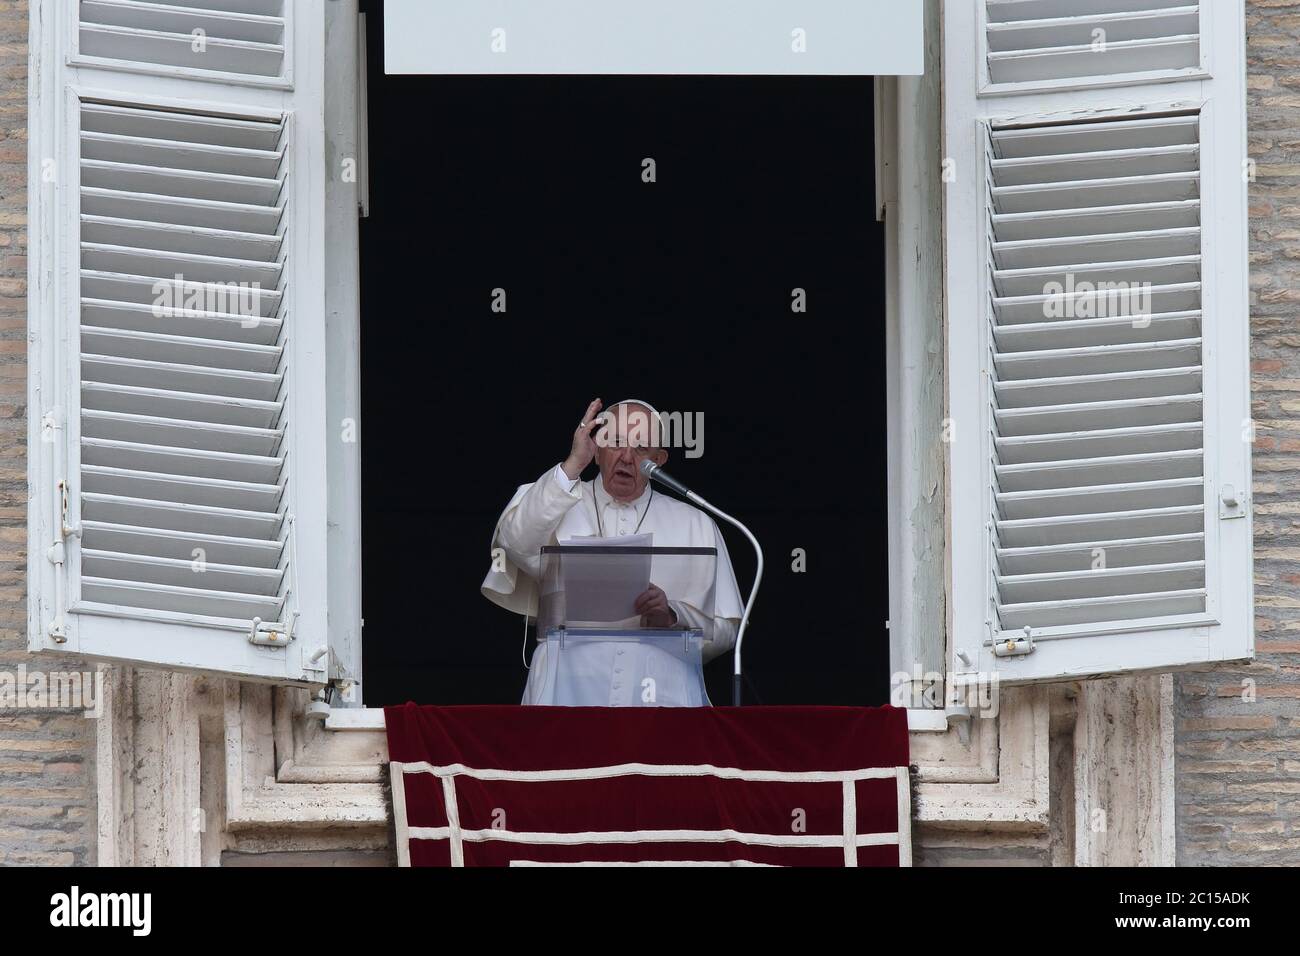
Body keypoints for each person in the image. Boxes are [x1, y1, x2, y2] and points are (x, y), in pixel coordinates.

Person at [481, 398, 743, 705]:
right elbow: (515, 541)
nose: (627, 456)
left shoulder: (696, 523)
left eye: (641, 448)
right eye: (615, 441)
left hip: (660, 696)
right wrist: (572, 465)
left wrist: (672, 616)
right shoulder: (556, 496)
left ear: (659, 459)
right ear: (596, 449)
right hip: (565, 690)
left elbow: (726, 630)